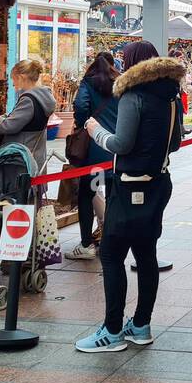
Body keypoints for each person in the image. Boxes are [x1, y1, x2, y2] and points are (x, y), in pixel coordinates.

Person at [76, 42, 184, 353]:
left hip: (130, 186)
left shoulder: (133, 96)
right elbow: (174, 143)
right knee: (146, 254)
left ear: (133, 63)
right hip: (159, 184)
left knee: (111, 255)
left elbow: (121, 144)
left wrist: (95, 129)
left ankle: (111, 332)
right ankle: (140, 325)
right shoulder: (171, 97)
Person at [66, 52, 119, 260]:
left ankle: (87, 243)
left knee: (87, 194)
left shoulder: (88, 82)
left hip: (94, 152)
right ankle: (113, 240)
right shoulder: (120, 83)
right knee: (114, 195)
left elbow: (80, 106)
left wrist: (83, 122)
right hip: (115, 149)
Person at [0, 57, 57, 172]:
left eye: (14, 80)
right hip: (35, 155)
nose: (14, 85)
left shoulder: (29, 99)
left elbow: (9, 125)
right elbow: (19, 119)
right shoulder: (42, 97)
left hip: (23, 159)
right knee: (32, 189)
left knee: (22, 189)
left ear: (21, 78)